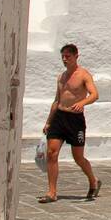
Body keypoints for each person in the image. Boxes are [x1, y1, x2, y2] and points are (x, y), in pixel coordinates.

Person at [39, 43, 100, 203]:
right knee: (52, 154)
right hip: (59, 117)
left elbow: (94, 94)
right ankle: (52, 192)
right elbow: (57, 100)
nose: (65, 59)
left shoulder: (83, 74)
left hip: (75, 120)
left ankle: (93, 181)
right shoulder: (61, 77)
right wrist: (48, 122)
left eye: (68, 56)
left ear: (76, 56)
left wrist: (83, 103)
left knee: (78, 157)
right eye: (63, 56)